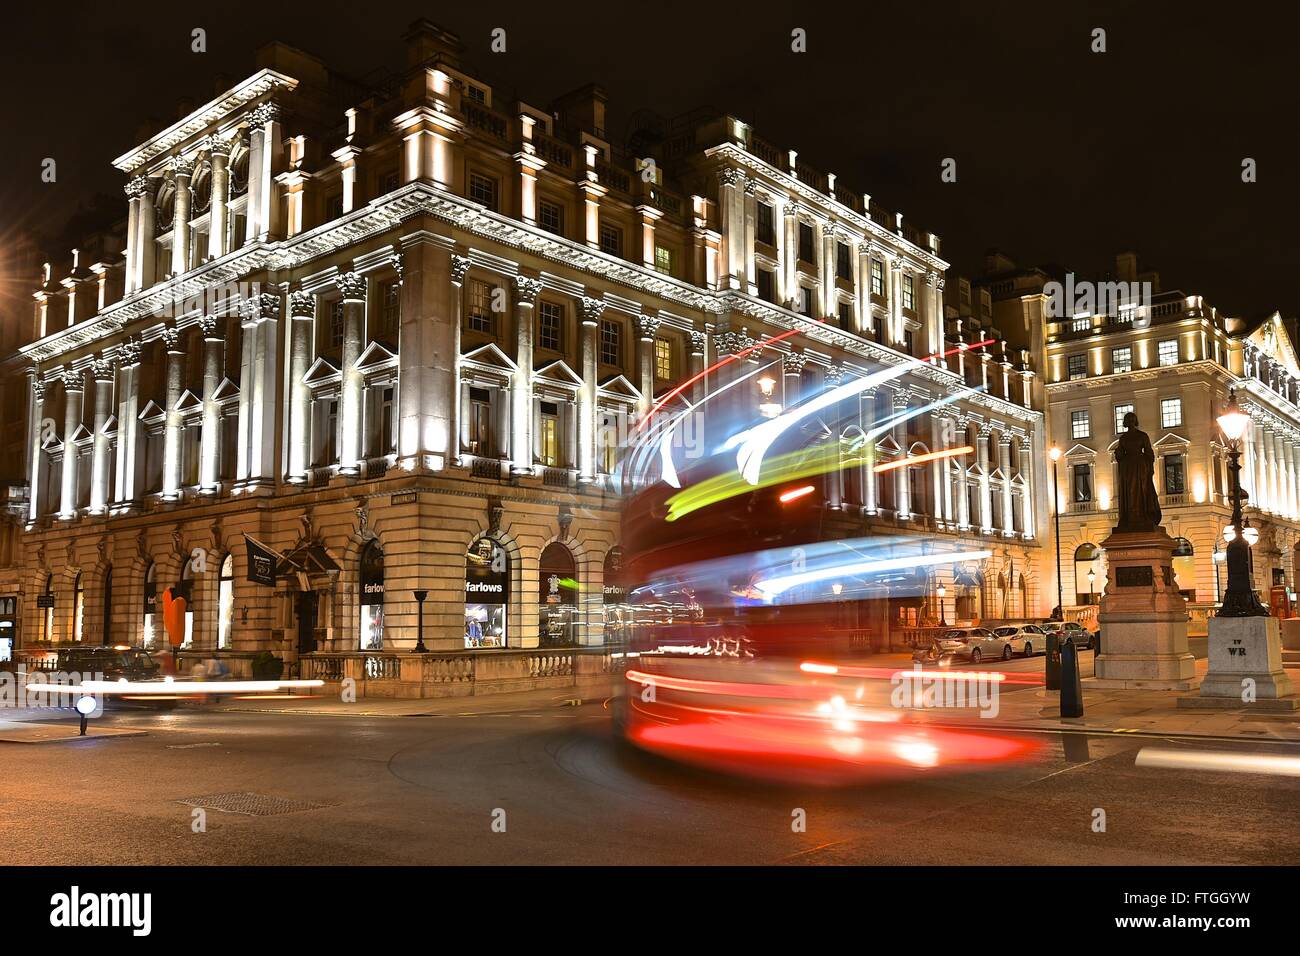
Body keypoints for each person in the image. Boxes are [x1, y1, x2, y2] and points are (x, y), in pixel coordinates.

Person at [1114, 412, 1162, 532]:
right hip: (1129, 468)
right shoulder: (1123, 438)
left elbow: (1149, 452)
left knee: (1142, 491)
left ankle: (1143, 514)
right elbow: (1119, 454)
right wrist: (1118, 454)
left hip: (1140, 467)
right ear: (1126, 422)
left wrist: (1149, 468)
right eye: (1128, 420)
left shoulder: (1142, 436)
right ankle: (1131, 516)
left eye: (1132, 420)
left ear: (1135, 421)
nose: (1130, 422)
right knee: (1130, 492)